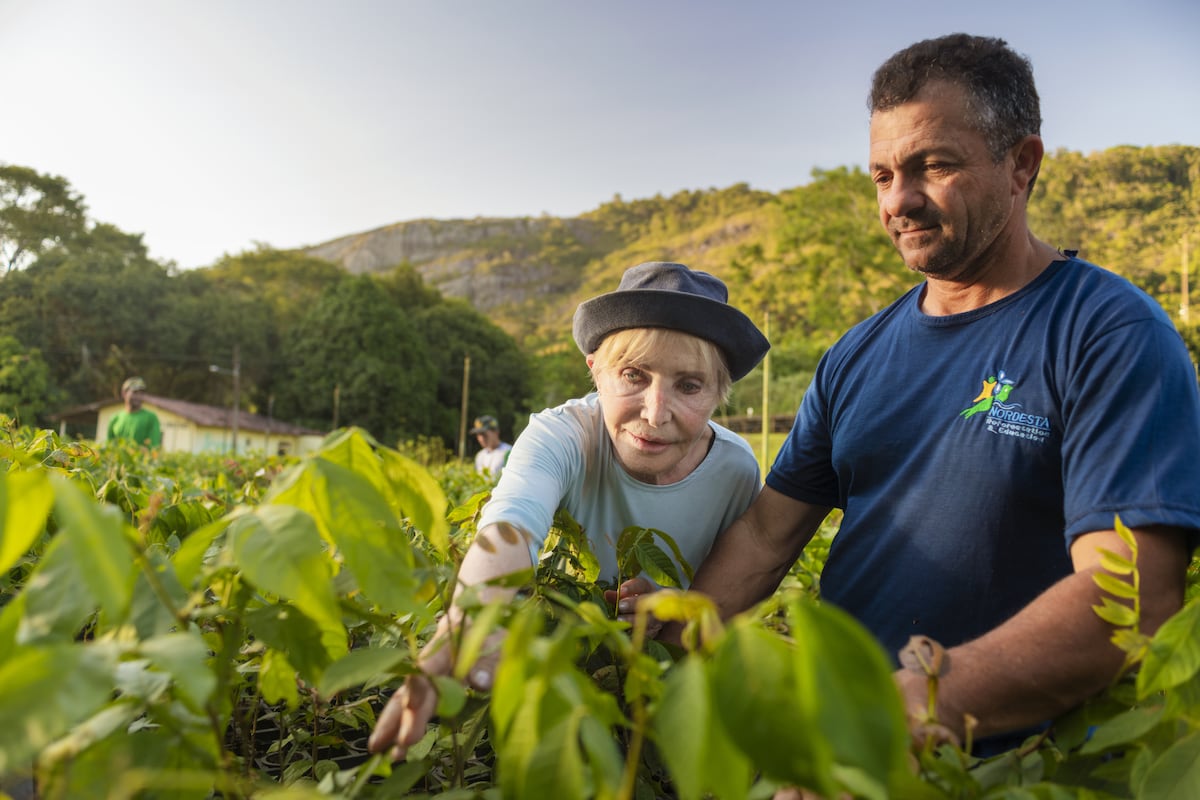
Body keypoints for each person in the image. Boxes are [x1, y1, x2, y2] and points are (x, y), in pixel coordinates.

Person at [667, 33, 1200, 756]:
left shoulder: (1107, 332)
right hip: (848, 756)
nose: (900, 200)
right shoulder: (856, 355)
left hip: (1023, 770)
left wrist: (905, 709)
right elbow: (765, 537)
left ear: (1021, 164)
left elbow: (1128, 597)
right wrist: (671, 622)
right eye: (882, 175)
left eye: (934, 166)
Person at [368, 260, 770, 761]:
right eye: (633, 375)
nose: (654, 412)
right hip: (563, 676)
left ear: (719, 394)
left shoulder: (735, 470)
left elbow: (734, 595)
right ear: (595, 371)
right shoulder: (563, 435)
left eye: (689, 386)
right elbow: (513, 520)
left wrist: (681, 607)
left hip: (669, 691)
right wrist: (472, 613)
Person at [105, 376, 162, 448]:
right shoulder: (115, 418)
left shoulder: (151, 418)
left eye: (141, 393)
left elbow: (153, 446)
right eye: (135, 392)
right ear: (124, 393)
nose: (138, 396)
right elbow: (109, 445)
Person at [469, 414, 512, 479]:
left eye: (484, 434)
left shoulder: (509, 452)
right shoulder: (480, 455)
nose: (481, 439)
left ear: (496, 432)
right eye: (478, 435)